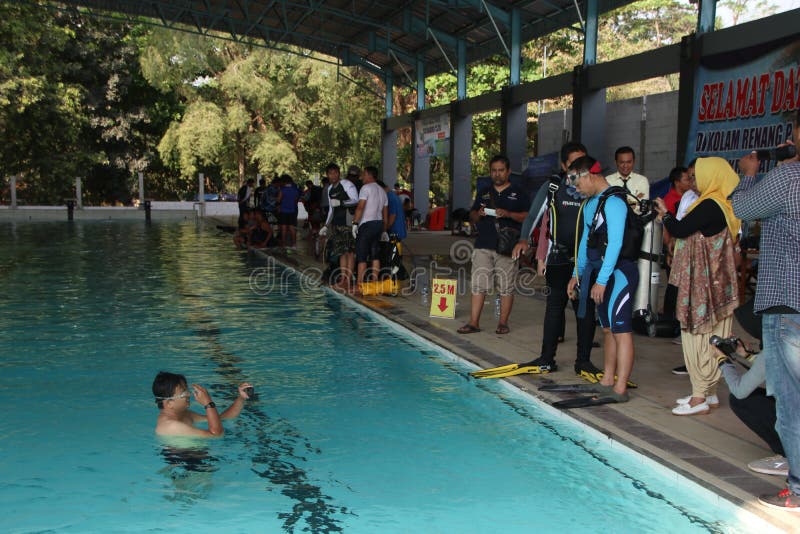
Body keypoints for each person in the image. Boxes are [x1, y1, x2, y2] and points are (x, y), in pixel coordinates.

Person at [731, 109, 800, 511]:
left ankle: (796, 488)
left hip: (788, 304)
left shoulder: (788, 178)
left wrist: (751, 173)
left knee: (790, 403)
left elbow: (743, 207)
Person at [654, 157, 740, 416]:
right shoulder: (721, 205)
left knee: (697, 335)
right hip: (716, 282)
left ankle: (699, 396)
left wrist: (664, 213)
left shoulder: (710, 205)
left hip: (703, 285)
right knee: (713, 333)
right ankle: (708, 393)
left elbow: (680, 230)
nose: (693, 181)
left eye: (697, 176)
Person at [509, 141, 603, 380]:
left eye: (584, 162)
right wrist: (524, 240)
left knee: (585, 310)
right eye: (574, 163)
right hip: (559, 258)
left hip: (585, 261)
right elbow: (534, 215)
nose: (580, 169)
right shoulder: (553, 187)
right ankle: (546, 358)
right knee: (553, 309)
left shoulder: (593, 188)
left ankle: (583, 361)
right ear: (564, 165)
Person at [566, 156, 638, 404]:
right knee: (608, 329)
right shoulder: (590, 204)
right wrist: (577, 274)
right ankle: (608, 379)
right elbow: (586, 242)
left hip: (619, 273)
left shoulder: (614, 202)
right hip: (602, 274)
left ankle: (620, 388)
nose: (575, 189)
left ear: (589, 175)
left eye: (576, 182)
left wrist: (603, 280)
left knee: (621, 329)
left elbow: (616, 243)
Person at [457, 155, 529, 335]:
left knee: (505, 287)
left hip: (507, 246)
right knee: (478, 285)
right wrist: (479, 213)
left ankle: (503, 323)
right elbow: (472, 216)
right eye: (494, 170)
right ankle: (474, 323)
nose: (497, 174)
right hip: (483, 244)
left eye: (501, 170)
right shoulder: (484, 192)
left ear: (508, 171)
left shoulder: (518, 193)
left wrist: (508, 214)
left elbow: (528, 217)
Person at [152, 371, 252, 437]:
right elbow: (216, 435)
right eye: (183, 393)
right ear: (169, 403)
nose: (189, 394)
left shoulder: (184, 414)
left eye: (187, 389)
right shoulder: (171, 426)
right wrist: (208, 403)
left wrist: (241, 398)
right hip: (184, 462)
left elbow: (221, 418)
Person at [321, 163, 359, 292]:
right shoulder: (330, 189)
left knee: (349, 252)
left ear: (339, 173)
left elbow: (356, 200)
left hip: (348, 223)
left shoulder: (347, 184)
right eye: (330, 173)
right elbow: (331, 209)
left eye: (335, 172)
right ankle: (343, 279)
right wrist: (326, 225)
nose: (333, 175)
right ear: (327, 175)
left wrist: (342, 202)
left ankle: (348, 280)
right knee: (341, 252)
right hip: (337, 224)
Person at [352, 166, 388, 289]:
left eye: (363, 174)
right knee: (375, 254)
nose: (362, 177)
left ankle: (359, 284)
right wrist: (384, 230)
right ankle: (374, 283)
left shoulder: (365, 188)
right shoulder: (382, 191)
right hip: (378, 224)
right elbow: (385, 213)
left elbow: (360, 207)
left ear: (368, 175)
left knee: (361, 255)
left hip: (367, 224)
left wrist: (355, 223)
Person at [277, 174, 301, 247]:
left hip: (284, 211)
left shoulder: (282, 190)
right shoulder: (295, 190)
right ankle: (294, 244)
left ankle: (283, 244)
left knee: (283, 228)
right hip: (292, 211)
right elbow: (296, 200)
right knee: (292, 228)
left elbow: (278, 200)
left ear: (284, 181)